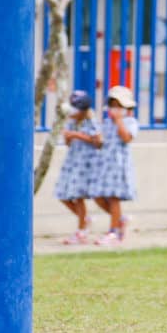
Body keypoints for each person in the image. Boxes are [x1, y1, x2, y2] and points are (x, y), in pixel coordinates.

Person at [89, 85, 140, 246]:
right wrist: (97, 139)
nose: (115, 109)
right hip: (105, 164)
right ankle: (120, 220)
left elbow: (126, 138)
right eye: (113, 105)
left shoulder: (130, 122)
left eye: (119, 106)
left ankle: (114, 231)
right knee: (97, 195)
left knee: (113, 197)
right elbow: (100, 143)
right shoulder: (106, 123)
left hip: (118, 166)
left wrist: (119, 121)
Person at [54, 90, 102, 245]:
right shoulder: (72, 122)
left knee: (78, 196)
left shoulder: (91, 122)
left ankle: (81, 230)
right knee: (63, 194)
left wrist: (76, 135)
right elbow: (68, 143)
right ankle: (85, 219)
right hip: (72, 162)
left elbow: (99, 142)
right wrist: (67, 137)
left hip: (85, 164)